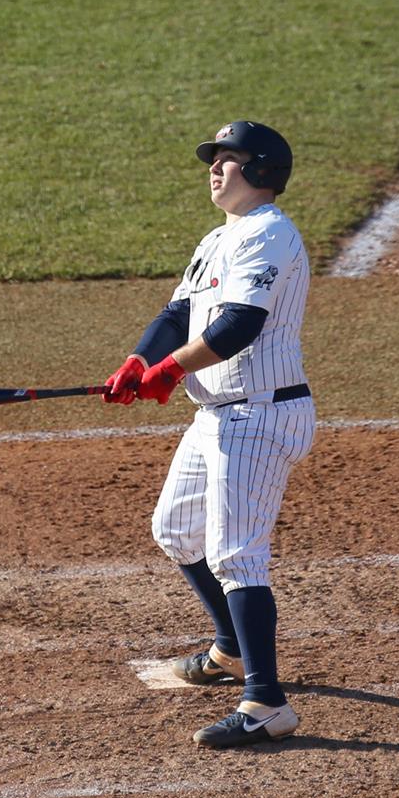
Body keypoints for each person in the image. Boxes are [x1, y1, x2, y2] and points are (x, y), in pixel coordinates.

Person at [103, 120, 315, 747]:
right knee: (174, 529)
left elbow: (242, 324)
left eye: (229, 159)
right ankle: (229, 650)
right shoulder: (219, 238)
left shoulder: (271, 235)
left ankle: (266, 703)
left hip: (259, 414)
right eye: (214, 160)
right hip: (218, 414)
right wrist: (141, 361)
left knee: (236, 558)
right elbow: (179, 312)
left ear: (261, 171)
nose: (215, 169)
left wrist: (170, 370)